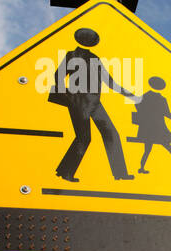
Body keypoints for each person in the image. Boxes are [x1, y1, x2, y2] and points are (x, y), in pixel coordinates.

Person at [52, 28, 135, 181]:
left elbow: (109, 81)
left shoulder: (95, 59)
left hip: (95, 102)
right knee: (84, 138)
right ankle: (66, 172)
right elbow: (58, 76)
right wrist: (68, 96)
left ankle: (120, 174)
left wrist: (128, 94)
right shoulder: (72, 55)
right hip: (79, 101)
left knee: (111, 133)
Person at [130, 77, 171, 174]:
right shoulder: (161, 99)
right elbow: (168, 114)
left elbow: (137, 106)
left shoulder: (144, 96)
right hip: (158, 129)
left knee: (147, 150)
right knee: (170, 149)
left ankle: (141, 168)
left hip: (147, 129)